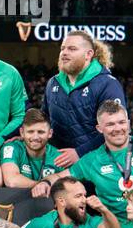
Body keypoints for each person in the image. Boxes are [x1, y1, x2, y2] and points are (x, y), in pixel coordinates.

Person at [50, 41, 133, 219]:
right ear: (99, 128)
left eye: (121, 122)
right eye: (110, 124)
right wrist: (45, 182)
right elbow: (63, 177)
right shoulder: (92, 159)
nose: (117, 129)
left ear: (129, 123)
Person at [43, 30, 126, 169]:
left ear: (89, 54)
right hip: (58, 163)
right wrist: (25, 131)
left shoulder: (107, 84)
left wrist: (79, 153)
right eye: (62, 48)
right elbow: (44, 120)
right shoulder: (53, 82)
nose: (64, 52)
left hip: (97, 166)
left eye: (72, 49)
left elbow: (114, 129)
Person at [0, 108, 61, 196]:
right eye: (30, 132)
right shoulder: (11, 147)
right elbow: (11, 181)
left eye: (41, 132)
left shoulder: (58, 156)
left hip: (47, 207)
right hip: (15, 204)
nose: (35, 137)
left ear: (50, 133)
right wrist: (42, 186)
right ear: (22, 132)